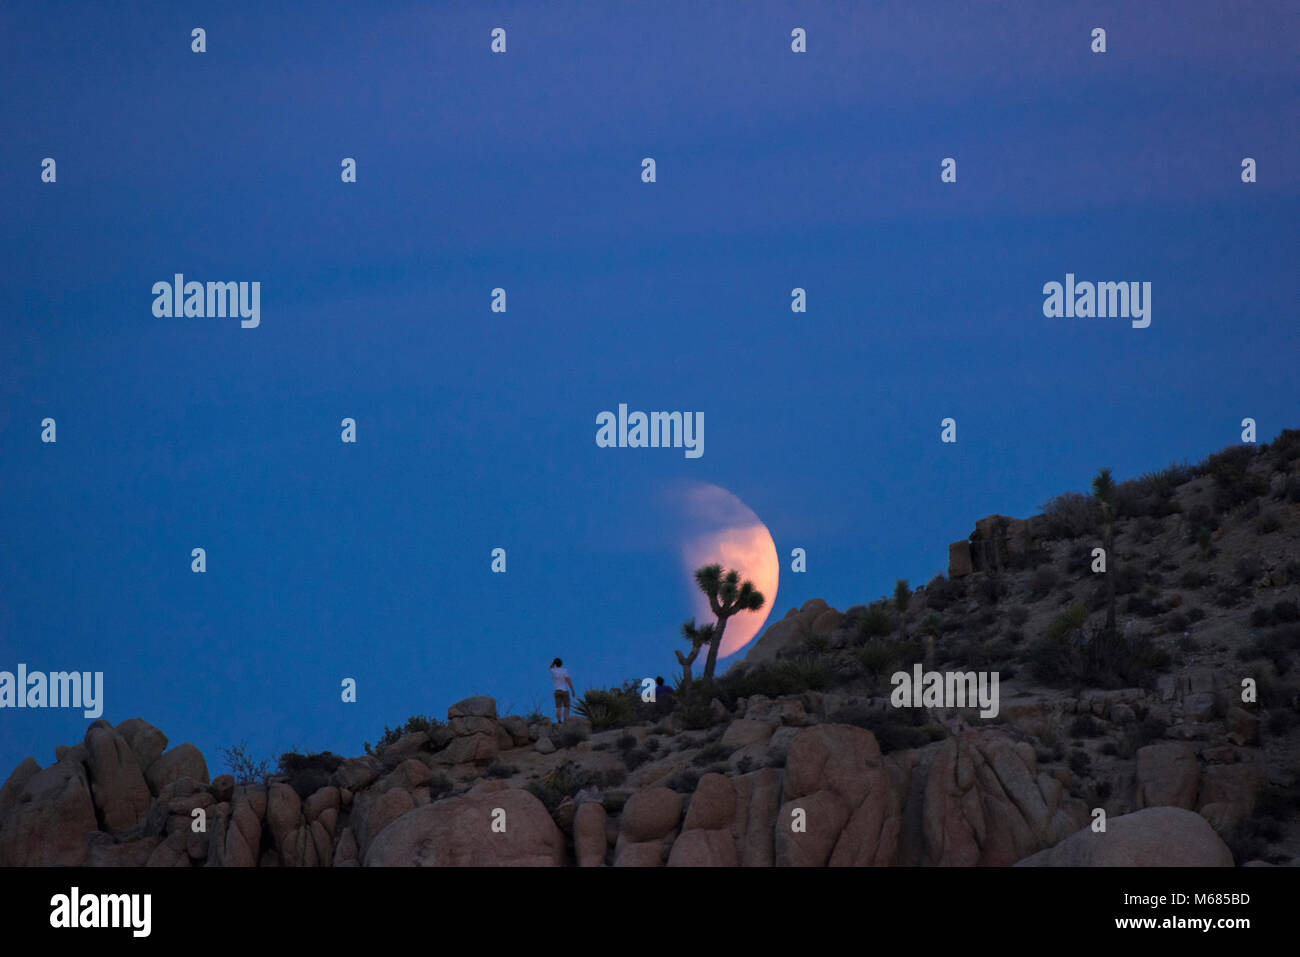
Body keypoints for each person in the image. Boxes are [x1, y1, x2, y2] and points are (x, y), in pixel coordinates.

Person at [550, 657, 575, 722]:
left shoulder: (553, 671)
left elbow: (550, 667)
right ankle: (565, 719)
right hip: (564, 690)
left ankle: (559, 721)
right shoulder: (564, 670)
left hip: (557, 690)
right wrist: (572, 690)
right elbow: (568, 680)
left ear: (555, 664)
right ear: (561, 663)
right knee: (566, 706)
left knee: (558, 707)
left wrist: (553, 662)